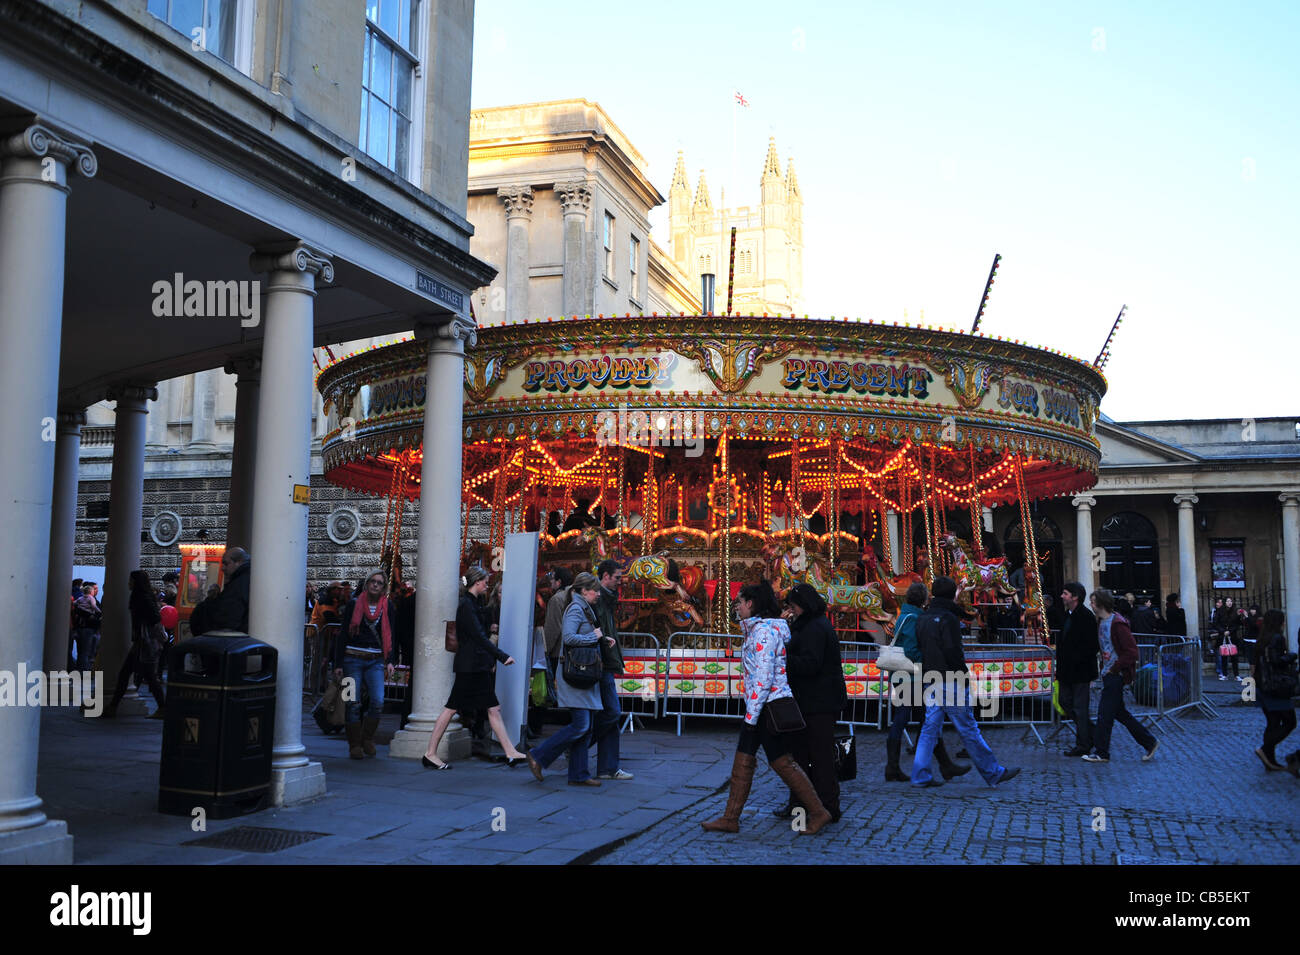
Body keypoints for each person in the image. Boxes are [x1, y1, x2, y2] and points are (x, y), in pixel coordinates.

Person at [701, 580, 832, 835]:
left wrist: (751, 716)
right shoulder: (760, 630)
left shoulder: (764, 633)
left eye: (738, 602)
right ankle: (731, 817)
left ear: (750, 604)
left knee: (781, 762)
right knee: (749, 757)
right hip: (761, 705)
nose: (736, 607)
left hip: (765, 706)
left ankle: (818, 811)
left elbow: (763, 678)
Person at [911, 576, 1020, 788]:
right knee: (968, 727)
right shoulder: (949, 619)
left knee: (930, 727)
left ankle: (920, 773)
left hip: (930, 677)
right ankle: (992, 771)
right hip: (950, 678)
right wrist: (962, 674)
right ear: (953, 595)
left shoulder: (923, 618)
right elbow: (952, 650)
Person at [422, 567, 528, 769]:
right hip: (469, 666)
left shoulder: (473, 604)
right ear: (477, 581)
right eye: (485, 580)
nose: (487, 584)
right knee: (451, 708)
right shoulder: (466, 606)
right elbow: (479, 637)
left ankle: (510, 752)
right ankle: (430, 753)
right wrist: (501, 656)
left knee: (492, 708)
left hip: (474, 666)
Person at [884, 581, 970, 782]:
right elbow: (913, 650)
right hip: (911, 677)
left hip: (903, 676)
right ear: (923, 599)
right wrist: (930, 659)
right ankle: (897, 767)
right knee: (915, 719)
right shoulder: (914, 618)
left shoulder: (904, 616)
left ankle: (943, 764)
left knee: (924, 719)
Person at [527, 572, 607, 786]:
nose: (598, 593)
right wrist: (594, 637)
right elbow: (569, 637)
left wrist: (602, 640)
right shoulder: (575, 608)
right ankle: (539, 755)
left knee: (586, 727)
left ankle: (579, 774)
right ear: (584, 590)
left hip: (583, 674)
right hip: (576, 674)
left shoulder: (584, 608)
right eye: (595, 590)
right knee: (581, 725)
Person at [777, 583, 848, 820]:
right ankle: (801, 803)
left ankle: (828, 805)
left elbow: (811, 663)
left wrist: (785, 660)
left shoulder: (814, 628)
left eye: (794, 606)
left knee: (819, 757)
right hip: (810, 700)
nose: (792, 610)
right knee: (802, 755)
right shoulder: (809, 625)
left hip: (818, 701)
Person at [1082, 588, 1158, 763]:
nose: (1091, 604)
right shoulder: (1101, 622)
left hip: (1115, 674)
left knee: (1104, 714)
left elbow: (1132, 652)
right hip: (1109, 673)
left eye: (1093, 601)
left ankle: (1102, 752)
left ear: (1101, 603)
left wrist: (1114, 668)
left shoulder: (1117, 623)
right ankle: (1149, 741)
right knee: (1120, 713)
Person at [332, 571, 398, 759]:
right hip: (351, 659)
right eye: (373, 582)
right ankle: (354, 744)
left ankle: (367, 738)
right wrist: (337, 664)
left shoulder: (388, 606)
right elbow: (343, 634)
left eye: (380, 583)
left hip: (376, 661)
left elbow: (392, 633)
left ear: (383, 586)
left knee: (378, 701)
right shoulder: (354, 604)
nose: (376, 585)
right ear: (367, 584)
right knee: (352, 702)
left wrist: (391, 660)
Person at [105, 570, 167, 719]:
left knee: (127, 674)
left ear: (136, 582)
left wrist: (141, 628)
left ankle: (113, 706)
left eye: (131, 580)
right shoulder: (144, 596)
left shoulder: (141, 598)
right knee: (146, 675)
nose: (129, 583)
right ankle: (162, 707)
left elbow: (154, 618)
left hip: (143, 643)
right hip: (144, 642)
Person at [592, 559, 633, 780]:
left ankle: (608, 768)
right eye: (617, 577)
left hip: (606, 661)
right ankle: (573, 742)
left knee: (609, 714)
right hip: (602, 663)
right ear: (606, 576)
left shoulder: (606, 599)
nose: (620, 582)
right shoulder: (599, 599)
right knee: (612, 713)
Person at [1057, 582, 1100, 758]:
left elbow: (1091, 646)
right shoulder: (1067, 615)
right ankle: (1092, 734)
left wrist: (1077, 661)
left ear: (1074, 597)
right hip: (1066, 671)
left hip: (1080, 671)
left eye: (1065, 593)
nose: (1062, 596)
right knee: (1064, 702)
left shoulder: (1086, 617)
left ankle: (1083, 743)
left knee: (1080, 707)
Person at [1251, 610, 1296, 771]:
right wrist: (1291, 656)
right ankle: (1265, 749)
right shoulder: (1277, 638)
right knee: (1290, 722)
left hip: (1263, 685)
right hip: (1276, 685)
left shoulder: (1262, 639)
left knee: (1273, 723)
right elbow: (1276, 661)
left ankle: (1269, 759)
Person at [200, 547, 251, 633]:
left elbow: (226, 620)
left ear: (238, 563)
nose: (222, 568)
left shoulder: (238, 586)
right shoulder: (242, 580)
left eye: (226, 563)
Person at [543, 566, 574, 684]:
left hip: (557, 652)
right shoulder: (576, 596)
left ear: (559, 582)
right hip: (573, 650)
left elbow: (553, 628)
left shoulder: (556, 599)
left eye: (552, 579)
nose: (550, 581)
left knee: (553, 685)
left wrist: (545, 651)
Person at [71, 583, 102, 673]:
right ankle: (84, 670)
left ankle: (80, 669)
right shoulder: (91, 599)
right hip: (88, 627)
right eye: (94, 589)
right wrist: (100, 613)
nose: (96, 591)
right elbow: (93, 606)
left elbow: (74, 604)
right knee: (86, 651)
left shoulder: (80, 598)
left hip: (80, 627)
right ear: (90, 591)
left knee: (81, 651)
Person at [1214, 596, 1241, 681]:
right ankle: (1225, 674)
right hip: (1223, 636)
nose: (1230, 603)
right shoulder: (1220, 611)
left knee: (1234, 656)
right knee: (1224, 656)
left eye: (1231, 601)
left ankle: (1236, 675)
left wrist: (1230, 631)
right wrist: (1223, 631)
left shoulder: (1235, 612)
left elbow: (1237, 624)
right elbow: (1216, 623)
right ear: (1225, 603)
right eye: (1228, 601)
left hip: (1232, 635)